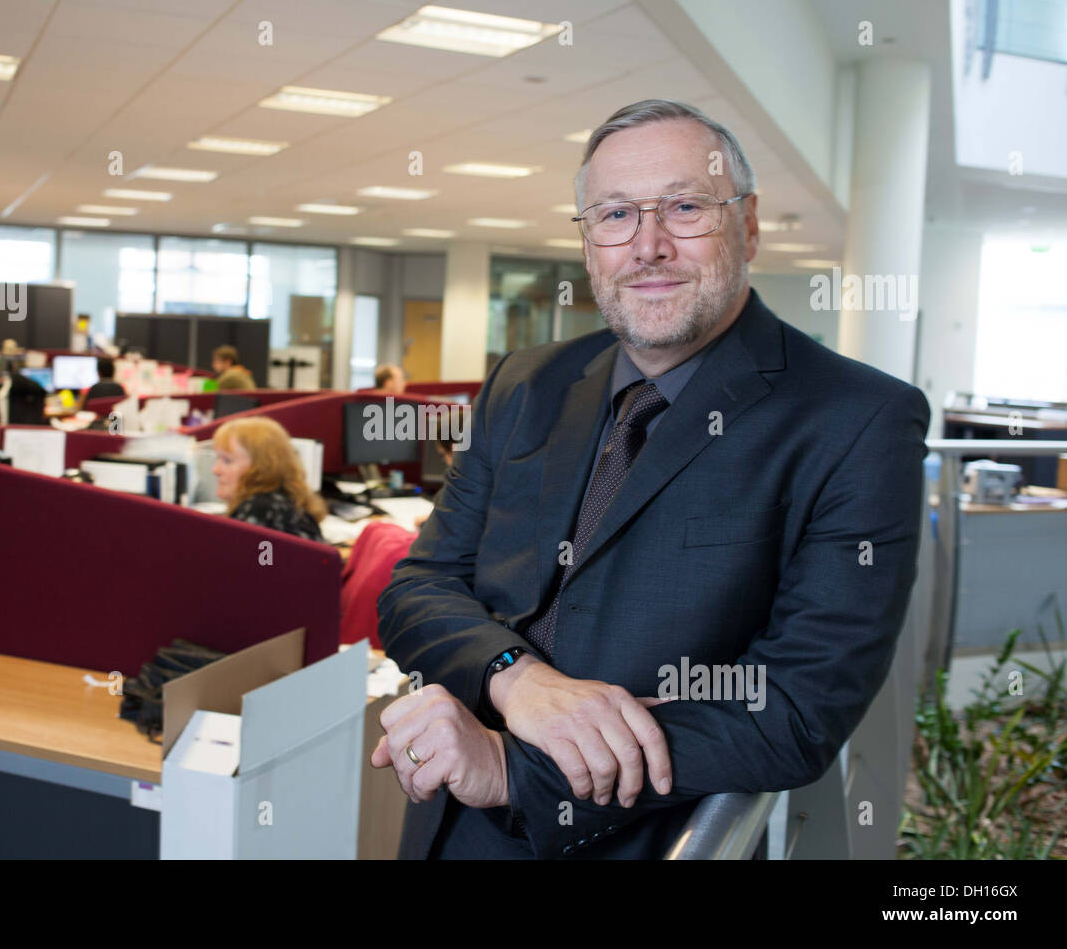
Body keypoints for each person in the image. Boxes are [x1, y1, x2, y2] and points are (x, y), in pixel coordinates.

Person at [371, 99, 930, 860]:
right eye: (615, 215)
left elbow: (799, 708)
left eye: (686, 207)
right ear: (588, 241)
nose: (649, 246)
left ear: (750, 224)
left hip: (646, 840)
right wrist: (513, 677)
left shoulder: (857, 418)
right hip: (451, 830)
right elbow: (419, 587)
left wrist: (511, 765)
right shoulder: (527, 383)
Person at [212, 417, 326, 542]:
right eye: (218, 458)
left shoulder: (259, 510)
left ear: (261, 467)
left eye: (227, 461)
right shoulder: (284, 503)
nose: (216, 470)